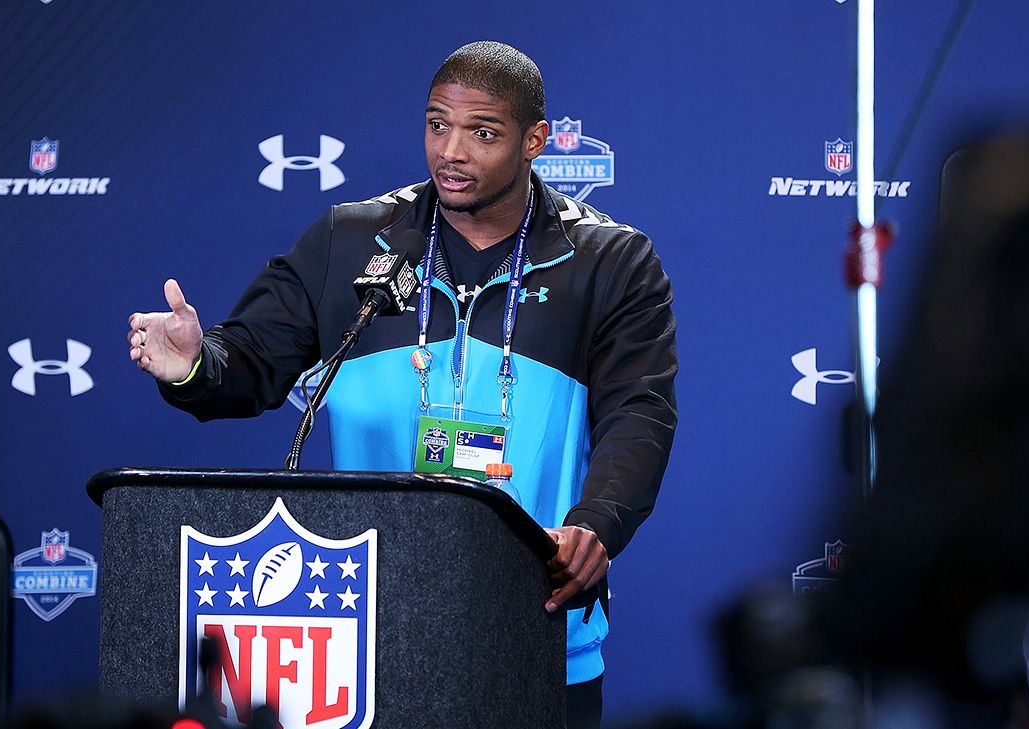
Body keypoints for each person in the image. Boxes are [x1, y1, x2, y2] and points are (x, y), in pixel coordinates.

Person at [129, 41, 677, 728]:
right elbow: (249, 364)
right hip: (366, 632)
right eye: (436, 124)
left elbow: (640, 412)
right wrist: (191, 363)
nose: (451, 151)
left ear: (535, 140)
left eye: (483, 132)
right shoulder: (353, 242)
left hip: (534, 624)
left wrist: (595, 524)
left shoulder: (610, 262)